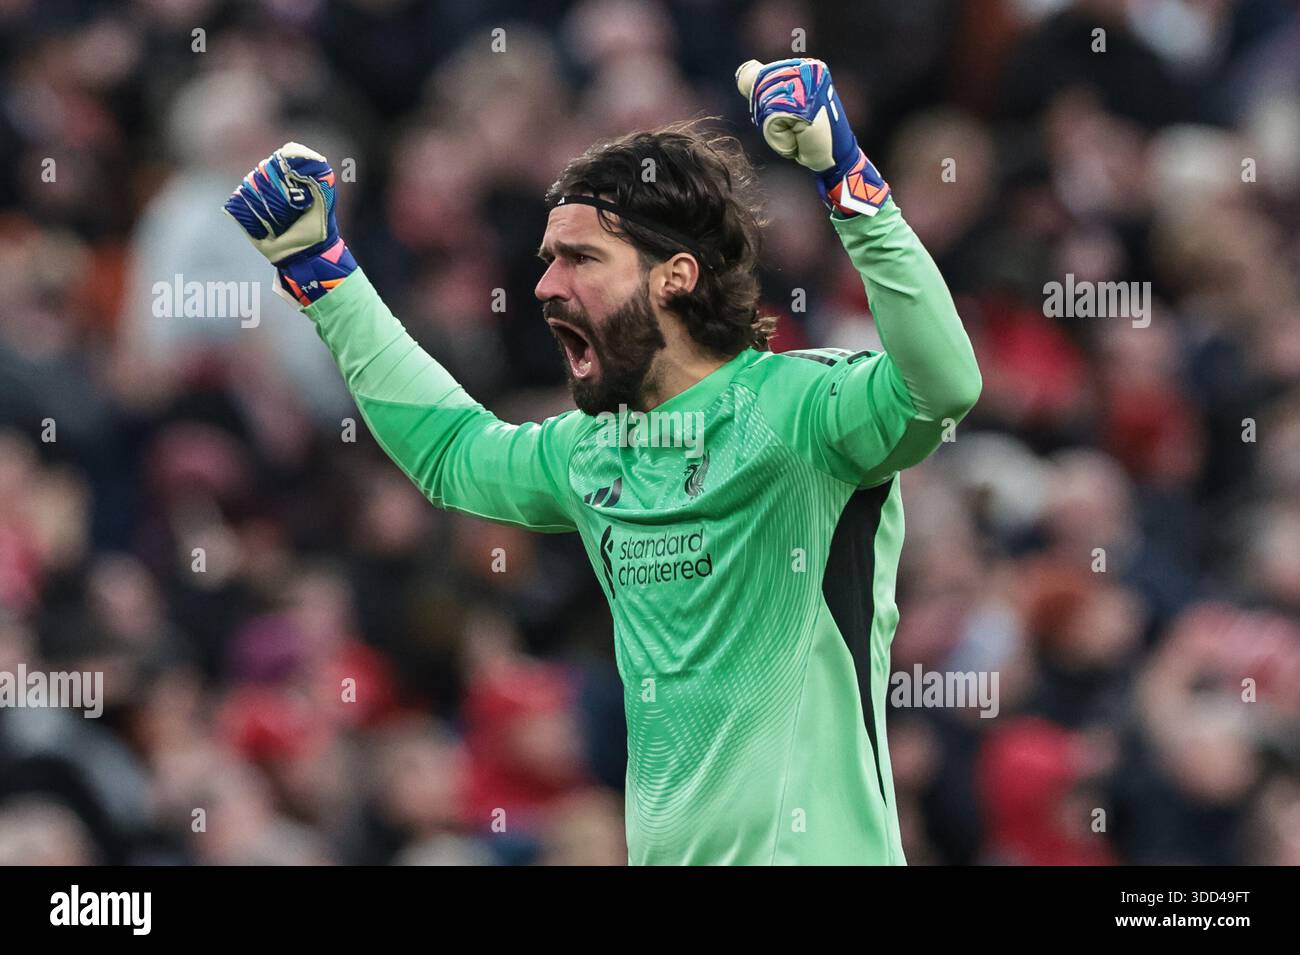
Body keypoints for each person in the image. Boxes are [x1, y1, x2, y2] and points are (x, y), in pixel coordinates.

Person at [223, 57, 982, 865]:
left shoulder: (807, 412)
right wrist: (323, 276)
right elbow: (450, 451)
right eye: (548, 258)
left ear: (676, 278)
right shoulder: (592, 453)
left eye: (580, 259)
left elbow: (944, 384)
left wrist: (846, 175)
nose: (546, 285)